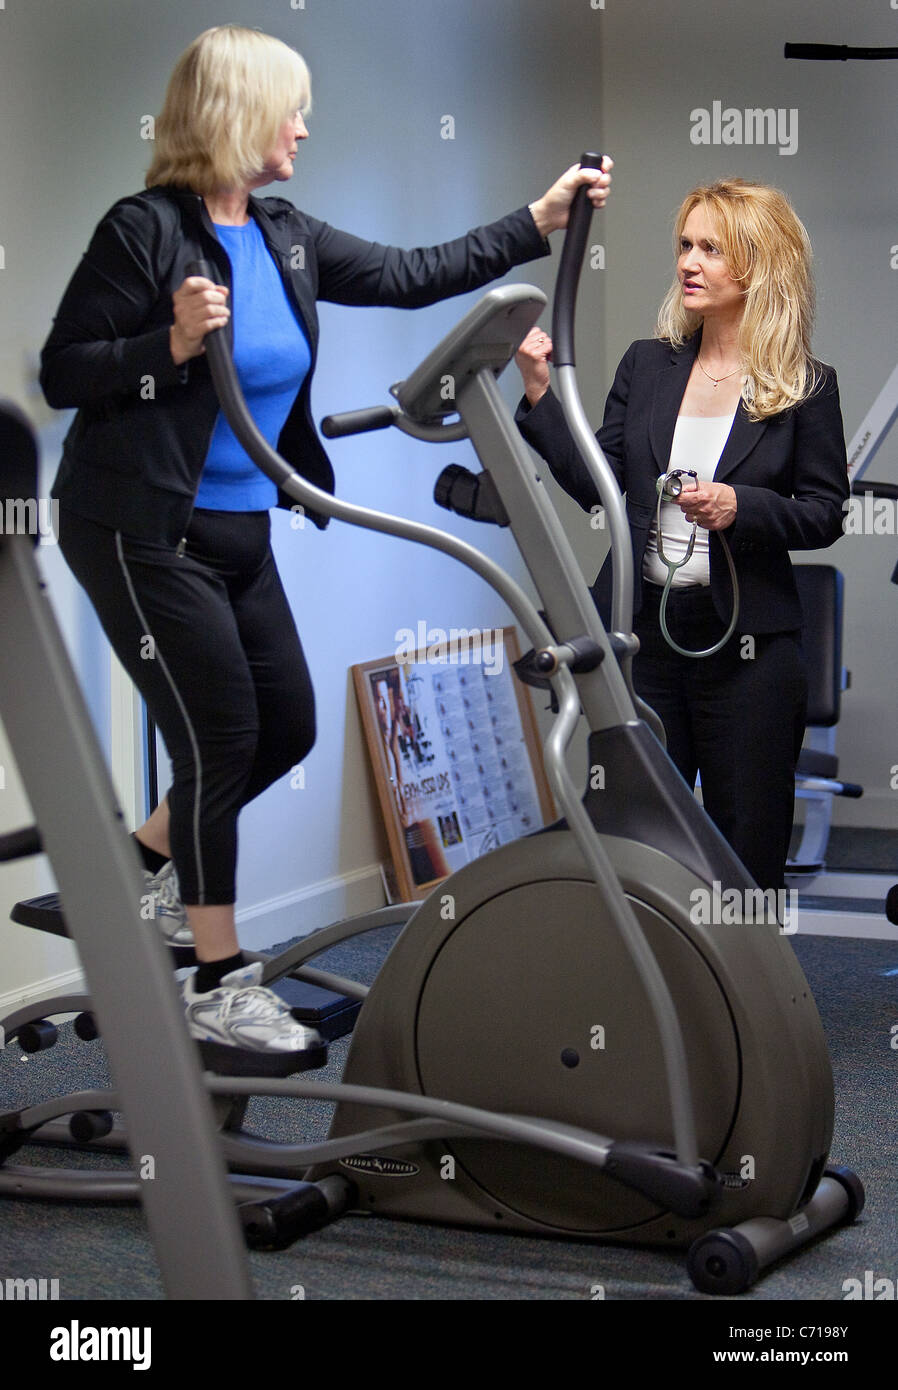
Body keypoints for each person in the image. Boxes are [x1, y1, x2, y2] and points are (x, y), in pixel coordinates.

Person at [40, 24, 611, 1058]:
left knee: (286, 726)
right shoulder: (142, 232)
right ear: (237, 115)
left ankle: (132, 862)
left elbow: (406, 270)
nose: (303, 125)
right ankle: (217, 979)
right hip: (135, 524)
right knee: (216, 737)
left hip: (240, 521)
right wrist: (163, 346)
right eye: (289, 108)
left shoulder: (283, 233)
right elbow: (64, 371)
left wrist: (537, 217)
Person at [514, 178, 848, 895]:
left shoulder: (807, 385)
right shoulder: (648, 364)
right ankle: (645, 995)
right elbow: (596, 485)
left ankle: (749, 1004)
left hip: (750, 652)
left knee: (745, 845)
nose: (688, 263)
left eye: (710, 249)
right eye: (684, 246)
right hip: (645, 641)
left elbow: (825, 512)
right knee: (639, 838)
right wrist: (540, 393)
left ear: (757, 265)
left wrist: (741, 505)